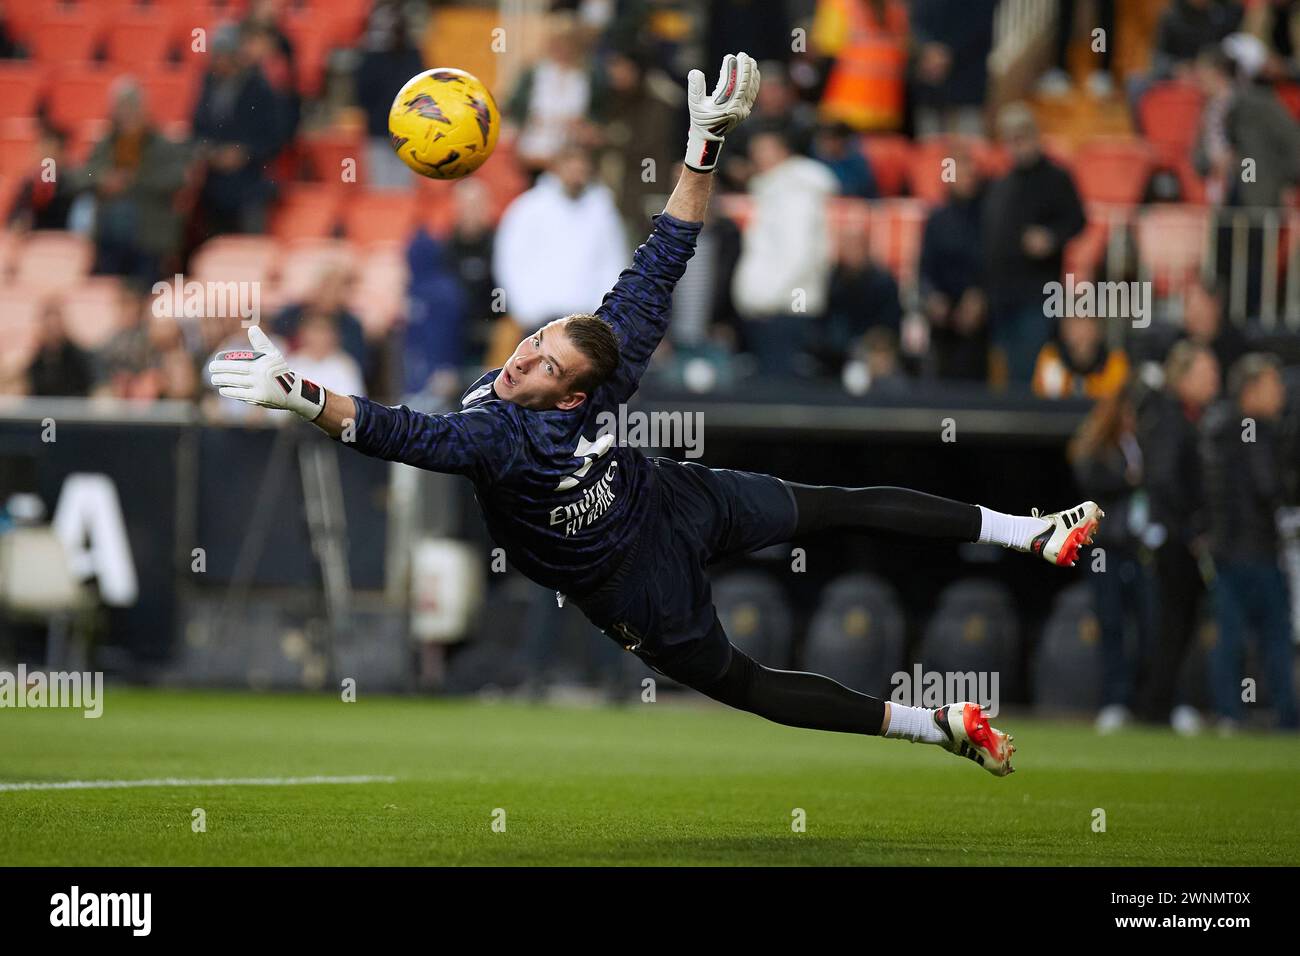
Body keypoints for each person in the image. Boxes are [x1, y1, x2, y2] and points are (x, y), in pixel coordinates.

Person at [211, 54, 1107, 776]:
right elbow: (409, 430)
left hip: (668, 500)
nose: (523, 355)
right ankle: (937, 726)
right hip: (631, 586)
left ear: (576, 390)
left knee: (835, 502)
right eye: (535, 345)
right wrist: (298, 392)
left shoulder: (551, 394)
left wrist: (704, 149)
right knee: (748, 685)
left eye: (546, 358)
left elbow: (660, 254)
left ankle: (1029, 532)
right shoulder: (545, 398)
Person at [1200, 353, 1298, 731]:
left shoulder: (1216, 426)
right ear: (1252, 389)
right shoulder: (1253, 428)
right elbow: (1268, 487)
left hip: (1225, 552)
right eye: (1274, 385)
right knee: (1274, 639)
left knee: (1229, 637)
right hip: (1257, 551)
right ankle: (1286, 717)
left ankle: (1229, 713)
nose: (1281, 395)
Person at [1137, 341, 1220, 734]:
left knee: (1179, 625)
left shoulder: (1187, 418)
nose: (1214, 380)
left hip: (1177, 535)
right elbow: (1165, 480)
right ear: (1183, 377)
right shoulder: (1172, 420)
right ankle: (1161, 705)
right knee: (1173, 624)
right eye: (1206, 373)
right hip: (1175, 539)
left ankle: (1164, 704)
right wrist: (1193, 525)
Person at [1068, 387, 1156, 734]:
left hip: (1138, 547)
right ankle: (1114, 702)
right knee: (1112, 624)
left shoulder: (1140, 446)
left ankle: (1149, 701)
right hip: (1106, 548)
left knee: (1150, 626)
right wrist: (1127, 481)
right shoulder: (1098, 448)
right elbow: (1088, 477)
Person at [983, 103, 1086, 386]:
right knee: (1006, 368)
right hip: (1002, 292)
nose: (1015, 146)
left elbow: (1078, 219)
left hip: (1038, 292)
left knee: (1031, 367)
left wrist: (1051, 238)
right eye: (1009, 139)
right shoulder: (1001, 183)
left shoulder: (1056, 178)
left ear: (1034, 135)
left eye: (1021, 137)